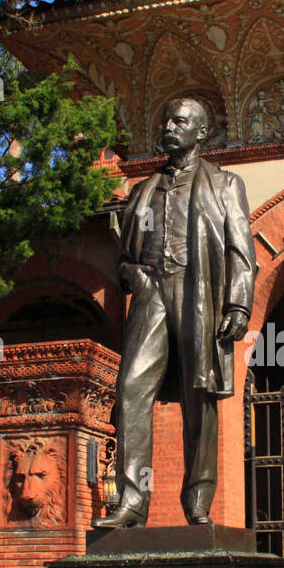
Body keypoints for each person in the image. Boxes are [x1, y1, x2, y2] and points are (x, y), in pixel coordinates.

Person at [95, 98, 255, 527]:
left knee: (198, 397)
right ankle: (132, 501)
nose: (168, 127)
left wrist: (238, 303)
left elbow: (242, 249)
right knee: (130, 390)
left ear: (200, 132)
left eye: (179, 121)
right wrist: (135, 277)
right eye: (165, 120)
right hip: (151, 295)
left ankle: (198, 500)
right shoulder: (143, 190)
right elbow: (124, 257)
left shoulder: (224, 184)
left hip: (197, 291)